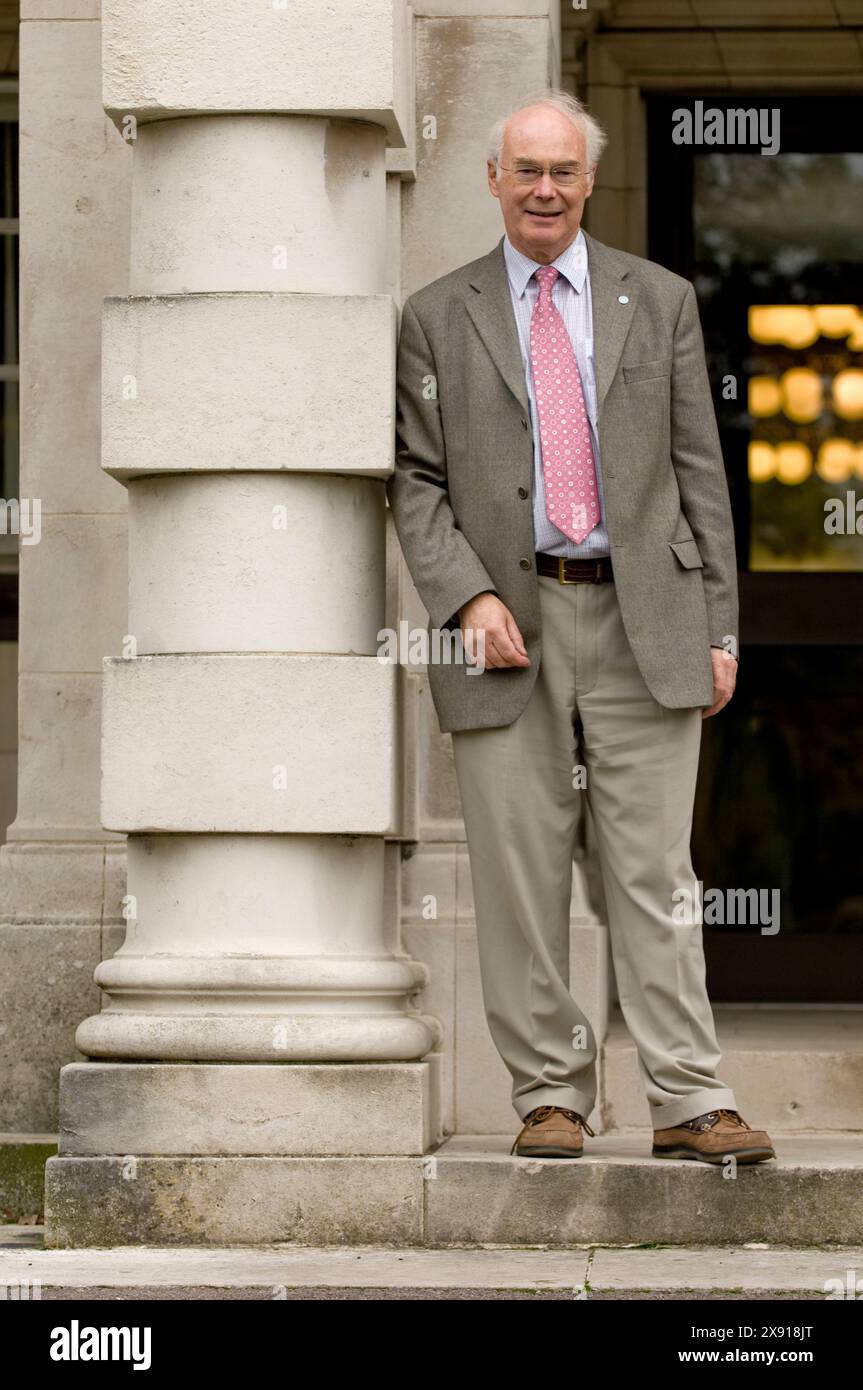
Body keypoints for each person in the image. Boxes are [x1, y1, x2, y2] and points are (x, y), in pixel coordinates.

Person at [386, 88, 774, 1166]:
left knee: (652, 872)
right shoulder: (434, 313)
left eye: (562, 171)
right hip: (507, 621)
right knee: (520, 872)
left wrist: (720, 628)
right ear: (495, 180)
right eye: (526, 170)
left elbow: (700, 472)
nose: (545, 189)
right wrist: (465, 595)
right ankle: (549, 1095)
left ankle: (689, 1098)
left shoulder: (656, 301)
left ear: (587, 182)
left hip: (644, 615)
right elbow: (413, 480)